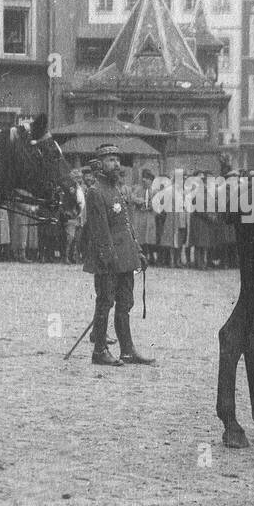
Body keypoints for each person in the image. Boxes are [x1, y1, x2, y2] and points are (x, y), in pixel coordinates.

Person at [83, 144, 154, 366]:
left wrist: (138, 251)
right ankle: (99, 351)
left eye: (117, 159)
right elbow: (100, 230)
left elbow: (127, 225)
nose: (117, 164)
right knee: (105, 302)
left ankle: (127, 350)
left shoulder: (117, 189)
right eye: (111, 160)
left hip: (126, 258)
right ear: (100, 164)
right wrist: (109, 258)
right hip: (109, 260)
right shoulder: (95, 191)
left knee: (125, 303)